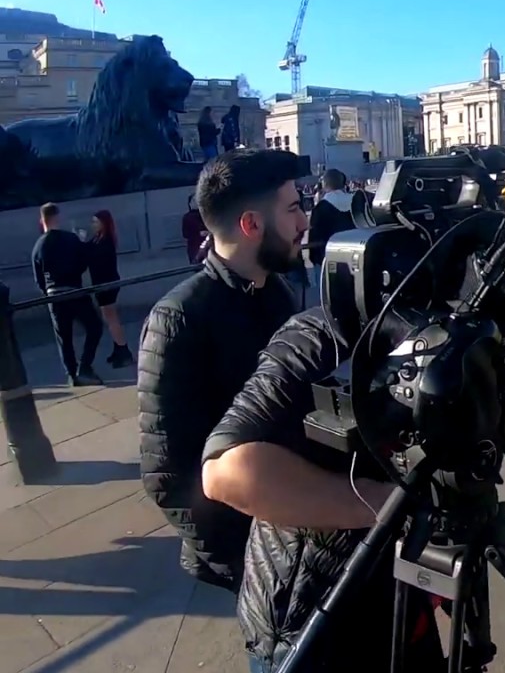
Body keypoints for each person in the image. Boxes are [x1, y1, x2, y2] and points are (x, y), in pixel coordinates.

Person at [200, 308, 505, 671]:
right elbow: (226, 474)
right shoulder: (323, 334)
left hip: (406, 605)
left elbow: (443, 444)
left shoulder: (460, 328)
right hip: (317, 624)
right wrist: (393, 505)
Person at [137, 149, 308, 593]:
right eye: (292, 209)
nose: (304, 222)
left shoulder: (278, 292)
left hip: (300, 534)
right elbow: (167, 475)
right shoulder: (178, 319)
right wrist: (247, 566)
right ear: (251, 225)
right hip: (257, 560)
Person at [31, 203, 103, 386]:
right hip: (74, 291)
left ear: (42, 221)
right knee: (94, 327)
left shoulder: (38, 247)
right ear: (57, 218)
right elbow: (83, 263)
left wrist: (47, 291)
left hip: (54, 295)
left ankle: (72, 375)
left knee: (64, 338)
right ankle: (85, 365)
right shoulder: (70, 239)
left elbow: (38, 279)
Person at [84, 209, 132, 368]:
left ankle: (123, 350)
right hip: (102, 283)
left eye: (96, 221)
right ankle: (118, 347)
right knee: (109, 318)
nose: (93, 225)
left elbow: (94, 255)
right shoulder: (99, 239)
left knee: (111, 318)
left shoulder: (106, 240)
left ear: (103, 223)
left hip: (107, 284)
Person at [306, 168, 356, 289]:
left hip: (329, 258)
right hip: (354, 256)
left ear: (325, 183)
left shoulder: (320, 208)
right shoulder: (355, 202)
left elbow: (314, 236)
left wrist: (313, 258)